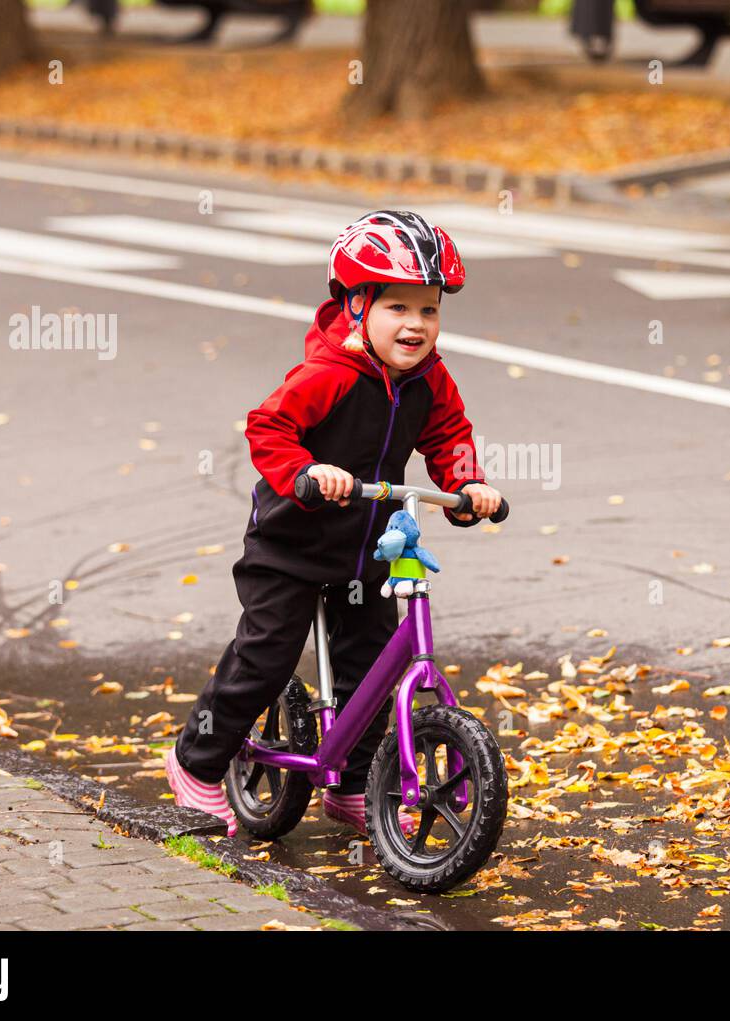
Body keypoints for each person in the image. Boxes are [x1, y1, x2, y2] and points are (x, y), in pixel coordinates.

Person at [166, 210, 502, 838]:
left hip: (367, 550)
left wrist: (465, 486)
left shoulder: (430, 380)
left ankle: (351, 786)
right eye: (398, 307)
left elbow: (450, 436)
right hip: (293, 542)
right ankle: (196, 764)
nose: (416, 324)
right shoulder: (328, 374)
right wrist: (306, 471)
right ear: (356, 307)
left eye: (429, 310)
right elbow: (269, 427)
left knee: (371, 670)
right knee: (266, 654)